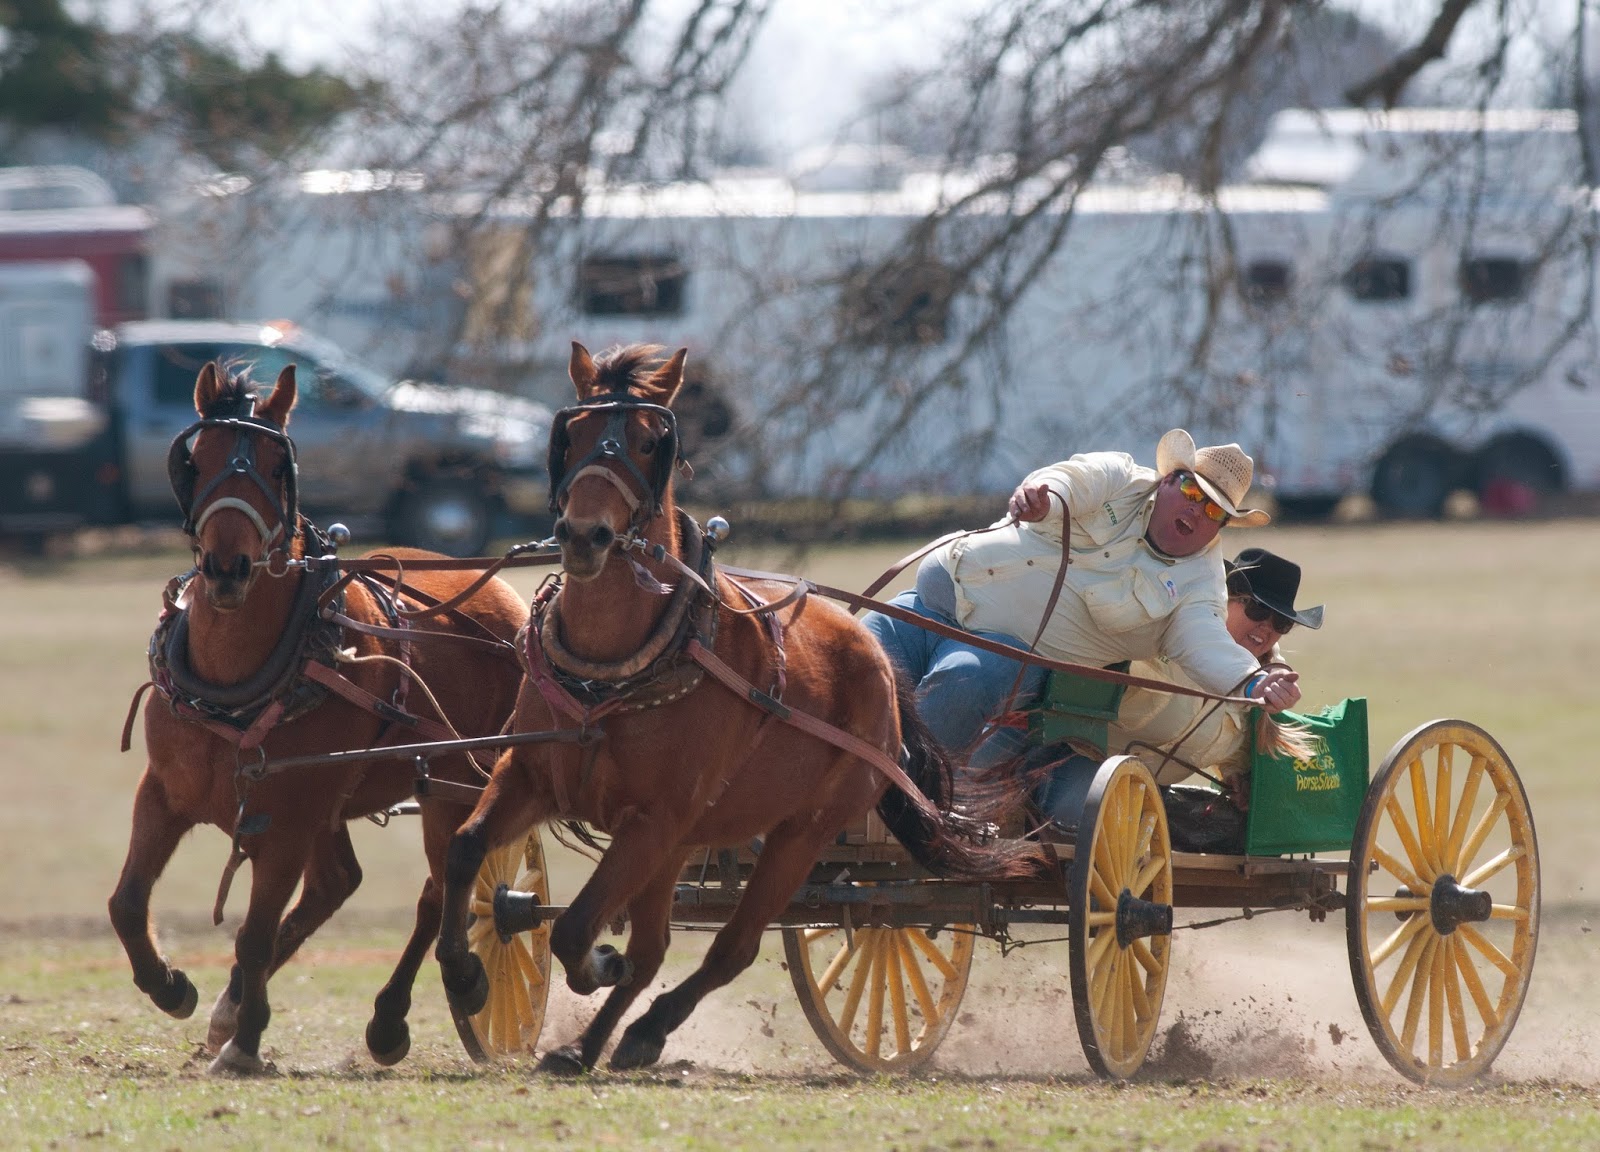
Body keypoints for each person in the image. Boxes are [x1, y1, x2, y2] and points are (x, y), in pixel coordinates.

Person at [863, 429, 1302, 792]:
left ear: (1222, 526)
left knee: (961, 680)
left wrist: (1254, 682)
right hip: (926, 604)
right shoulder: (1121, 477)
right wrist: (1044, 499)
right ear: (1169, 478)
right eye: (1191, 490)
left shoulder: (1200, 585)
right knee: (845, 661)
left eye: (1213, 510)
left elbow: (1205, 641)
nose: (1196, 509)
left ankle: (886, 797)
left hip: (998, 654)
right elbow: (1070, 480)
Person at [1105, 547, 1324, 821]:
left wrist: (1235, 773)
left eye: (1281, 622)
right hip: (1090, 774)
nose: (1267, 627)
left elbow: (1241, 738)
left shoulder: (1265, 677)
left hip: (1148, 801)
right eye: (1257, 609)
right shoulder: (1172, 631)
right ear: (1224, 598)